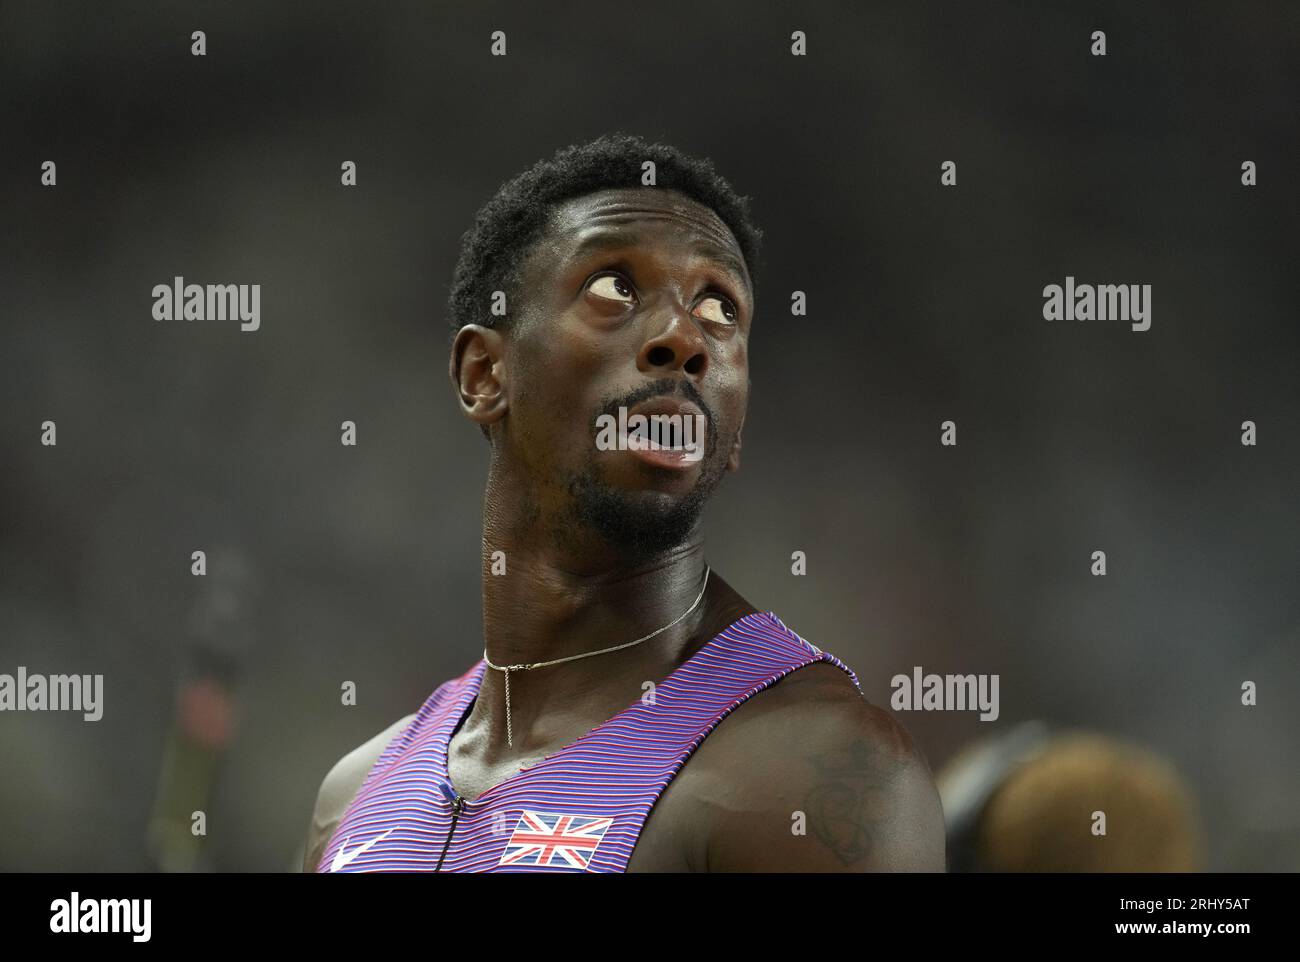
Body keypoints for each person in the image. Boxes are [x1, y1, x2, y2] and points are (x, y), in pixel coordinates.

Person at [302, 132, 944, 872]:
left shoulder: (812, 774)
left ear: (734, 428)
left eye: (718, 307)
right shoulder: (353, 797)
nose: (683, 335)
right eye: (615, 288)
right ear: (484, 373)